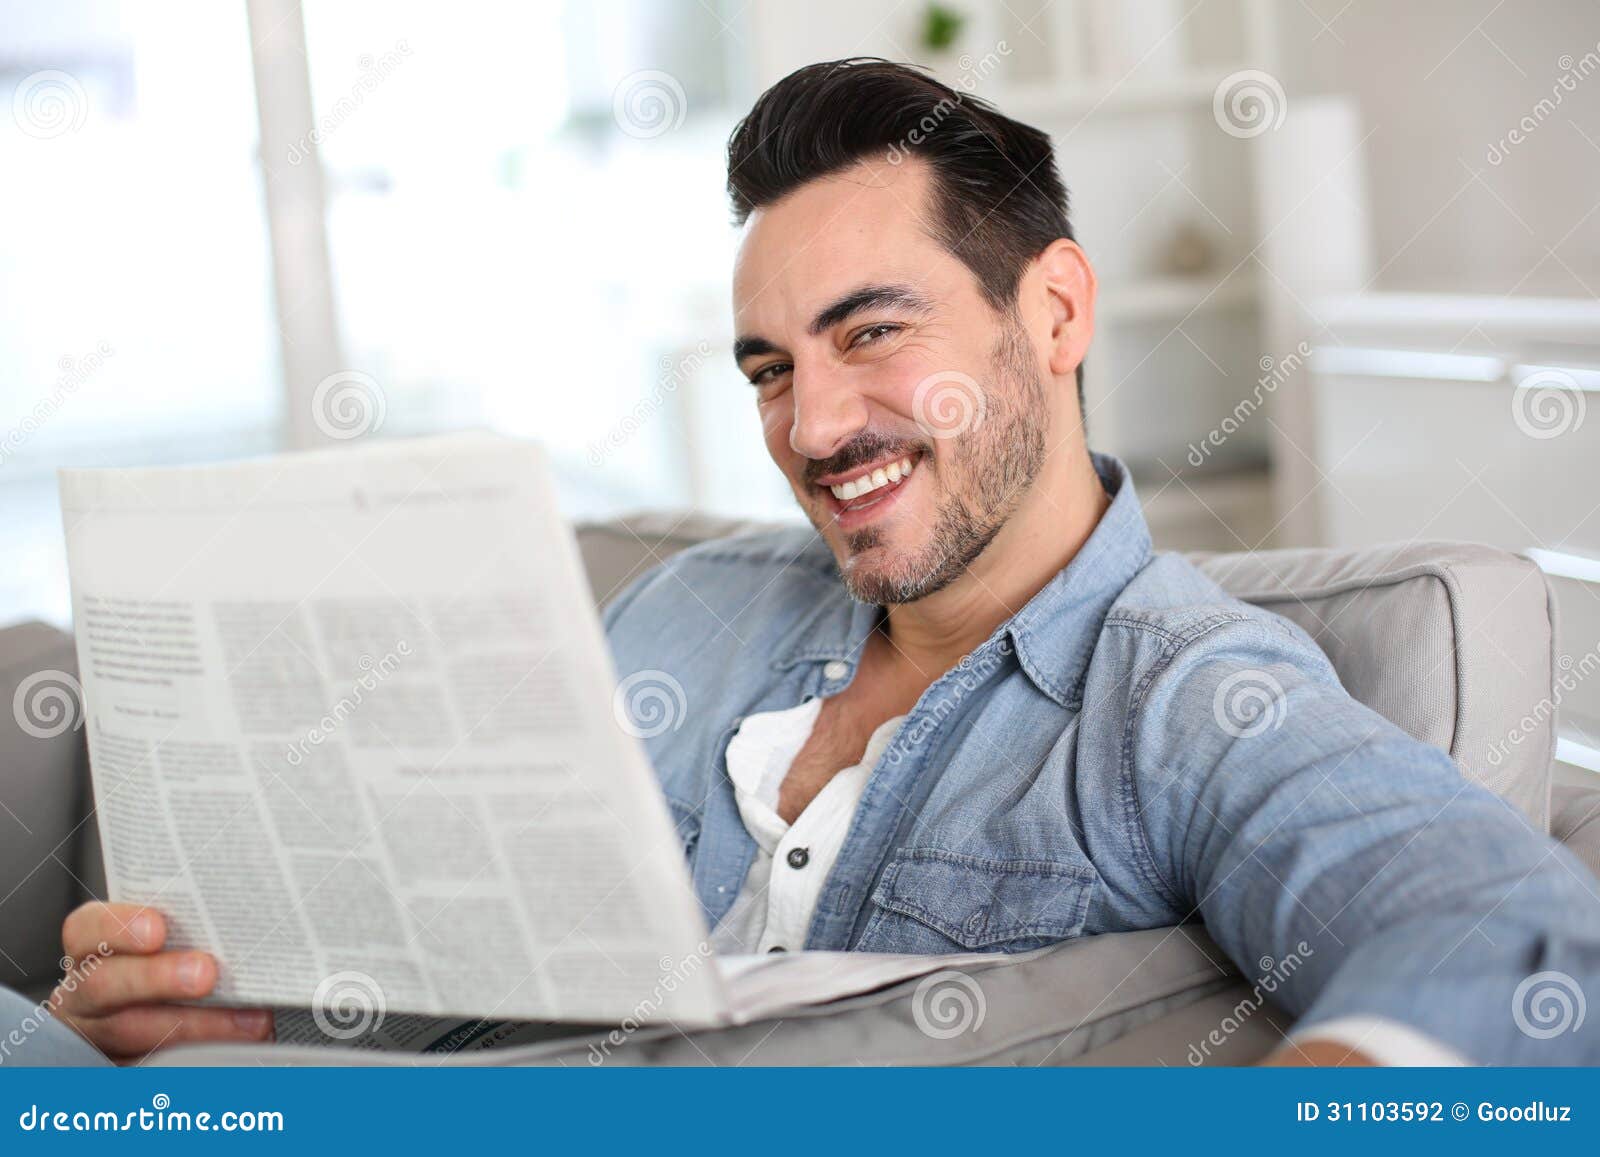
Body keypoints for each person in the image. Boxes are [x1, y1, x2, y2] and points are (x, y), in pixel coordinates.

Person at [28, 58, 1600, 1066]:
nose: (816, 421)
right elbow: (449, 953)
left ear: (1053, 314)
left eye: (873, 334)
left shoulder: (1187, 694)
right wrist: (205, 1001)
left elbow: (1513, 943)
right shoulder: (689, 612)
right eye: (771, 366)